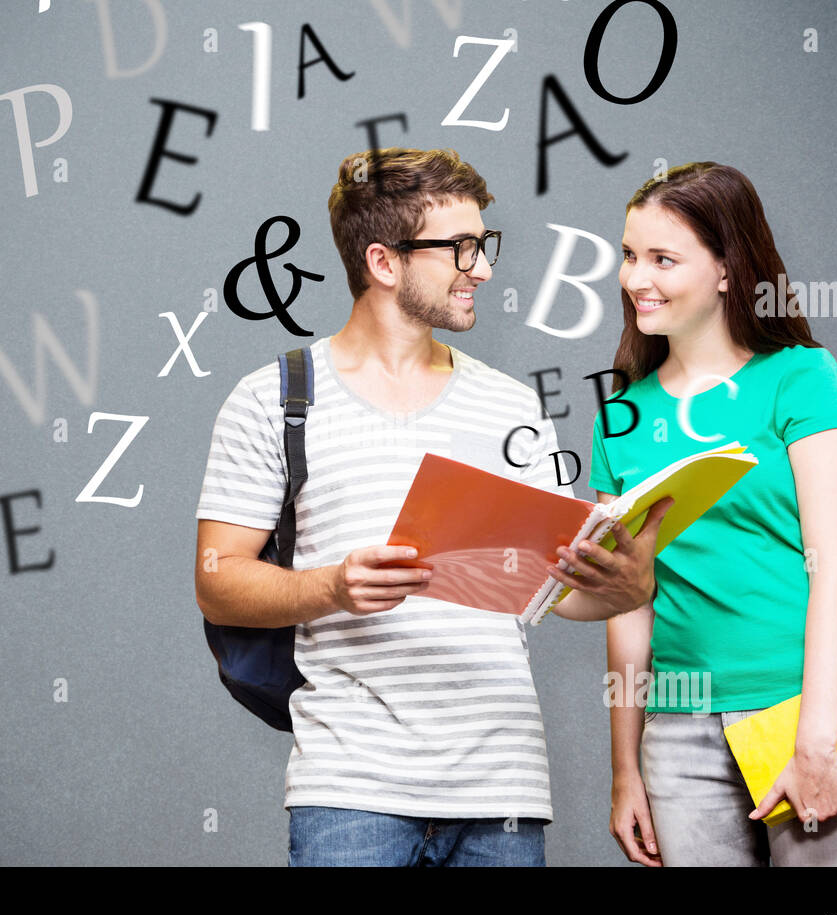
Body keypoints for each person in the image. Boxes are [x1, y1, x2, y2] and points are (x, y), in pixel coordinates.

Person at [194, 147, 671, 867]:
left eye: (483, 245)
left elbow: (552, 594)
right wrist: (331, 586)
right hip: (349, 791)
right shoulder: (275, 399)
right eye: (461, 249)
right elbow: (217, 580)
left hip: (502, 794)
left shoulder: (510, 403)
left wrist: (625, 588)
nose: (482, 268)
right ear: (384, 263)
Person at [561, 161, 837, 866]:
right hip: (679, 732)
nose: (635, 279)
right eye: (629, 256)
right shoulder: (622, 417)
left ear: (726, 270)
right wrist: (625, 771)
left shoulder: (800, 377)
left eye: (663, 259)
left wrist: (817, 742)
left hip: (813, 707)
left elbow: (835, 571)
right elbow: (630, 604)